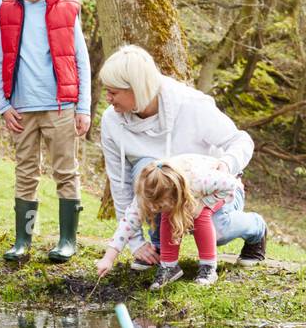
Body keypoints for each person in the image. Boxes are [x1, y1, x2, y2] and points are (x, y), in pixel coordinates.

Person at [97, 44, 262, 268]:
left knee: (216, 233)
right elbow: (120, 183)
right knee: (148, 168)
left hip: (214, 190)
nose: (107, 98)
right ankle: (159, 246)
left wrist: (226, 164)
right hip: (166, 194)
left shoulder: (190, 104)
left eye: (113, 92)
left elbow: (241, 141)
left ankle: (257, 228)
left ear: (136, 88)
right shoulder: (112, 121)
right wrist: (135, 243)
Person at [0, 0, 91, 263]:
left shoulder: (66, 10)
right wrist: (4, 105)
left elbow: (81, 60)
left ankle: (67, 239)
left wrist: (84, 106)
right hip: (22, 109)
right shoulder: (5, 10)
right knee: (25, 172)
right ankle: (24, 239)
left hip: (61, 106)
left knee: (65, 171)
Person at [94, 155, 268, 288]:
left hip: (226, 190)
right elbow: (127, 224)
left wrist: (203, 204)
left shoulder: (200, 180)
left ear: (176, 194)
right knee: (168, 214)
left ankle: (208, 268)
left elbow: (231, 185)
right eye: (152, 206)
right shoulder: (147, 191)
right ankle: (169, 267)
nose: (154, 210)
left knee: (200, 215)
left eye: (159, 205)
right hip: (192, 193)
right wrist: (108, 259)